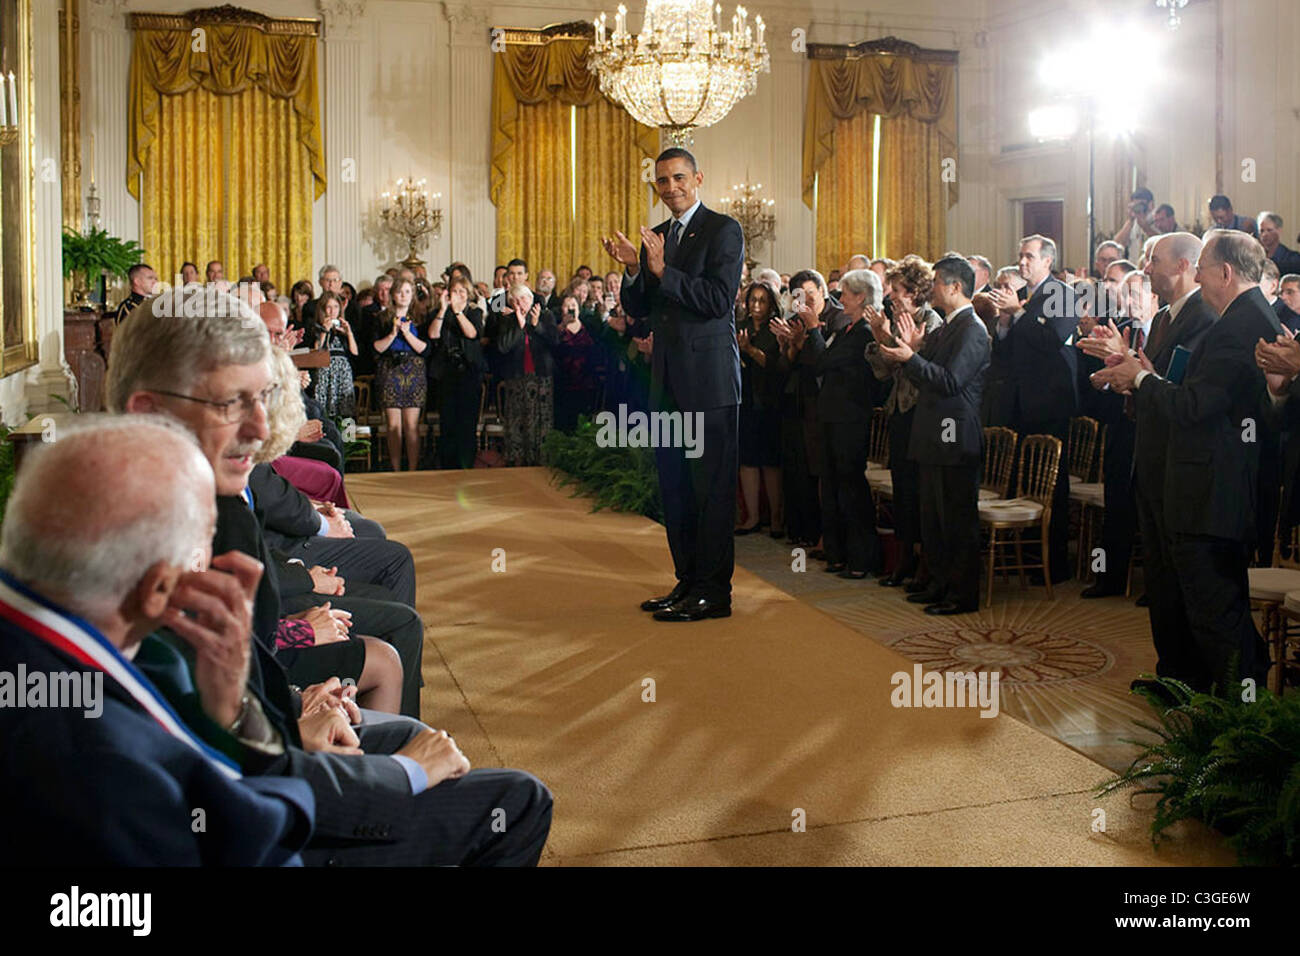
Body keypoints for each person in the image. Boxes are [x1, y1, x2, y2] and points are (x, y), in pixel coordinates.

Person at [0, 415, 316, 865]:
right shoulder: (111, 765)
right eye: (207, 538)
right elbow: (256, 843)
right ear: (159, 590)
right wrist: (237, 718)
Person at [1094, 230, 1278, 695]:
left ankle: (1241, 725)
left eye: (1202, 267)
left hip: (1214, 491)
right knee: (1206, 608)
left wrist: (1139, 377)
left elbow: (1194, 406)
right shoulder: (1240, 318)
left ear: (1225, 272)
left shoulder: (1238, 324)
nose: (1195, 275)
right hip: (1204, 484)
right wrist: (1144, 377)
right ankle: (1206, 700)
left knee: (1218, 614)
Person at [604, 147, 744, 622]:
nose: (671, 188)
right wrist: (633, 268)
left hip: (710, 384)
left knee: (711, 490)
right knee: (677, 489)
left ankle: (714, 592)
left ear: (698, 178)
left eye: (679, 178)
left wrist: (663, 271)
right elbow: (641, 309)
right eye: (662, 181)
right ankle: (687, 582)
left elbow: (719, 300)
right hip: (666, 383)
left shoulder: (724, 230)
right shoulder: (657, 235)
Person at [877, 256, 989, 614]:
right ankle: (940, 583)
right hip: (932, 433)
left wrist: (912, 356)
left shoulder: (973, 329)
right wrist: (912, 354)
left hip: (955, 435)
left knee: (957, 520)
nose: (932, 287)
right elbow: (924, 378)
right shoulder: (945, 328)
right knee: (935, 519)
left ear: (955, 287)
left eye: (938, 281)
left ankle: (962, 594)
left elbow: (952, 382)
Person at [988, 235, 1078, 582]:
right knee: (1025, 481)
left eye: (1029, 257)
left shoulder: (1063, 295)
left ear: (1047, 261)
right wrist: (1006, 322)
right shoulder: (1023, 298)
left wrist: (1019, 313)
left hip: (1049, 401)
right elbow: (1006, 354)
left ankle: (1052, 565)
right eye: (1019, 256)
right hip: (1021, 400)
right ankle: (1025, 556)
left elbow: (1050, 341)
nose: (1022, 262)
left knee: (1050, 484)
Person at [867, 256, 943, 587]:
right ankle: (904, 558)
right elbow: (883, 372)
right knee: (903, 490)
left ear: (914, 291)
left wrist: (909, 351)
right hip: (898, 412)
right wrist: (881, 337)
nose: (891, 294)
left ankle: (925, 561)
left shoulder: (932, 322)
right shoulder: (897, 321)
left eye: (896, 289)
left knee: (922, 491)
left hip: (922, 414)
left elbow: (930, 374)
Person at [807, 269, 882, 579]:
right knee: (833, 487)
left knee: (850, 488)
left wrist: (813, 330)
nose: (841, 299)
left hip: (850, 421)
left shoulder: (863, 332)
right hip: (831, 418)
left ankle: (860, 558)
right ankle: (837, 554)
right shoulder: (847, 330)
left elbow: (822, 362)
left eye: (847, 295)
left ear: (861, 297)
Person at [735, 282, 784, 536]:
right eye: (752, 300)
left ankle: (775, 518)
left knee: (770, 462)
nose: (756, 305)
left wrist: (749, 350)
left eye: (762, 300)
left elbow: (774, 364)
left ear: (771, 304)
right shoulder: (740, 326)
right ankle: (751, 517)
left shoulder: (774, 330)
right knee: (748, 460)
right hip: (745, 401)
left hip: (769, 403)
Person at [494, 283, 556, 465]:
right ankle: (518, 462)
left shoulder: (545, 315)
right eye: (515, 300)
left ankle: (541, 461)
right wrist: (519, 326)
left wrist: (536, 326)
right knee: (517, 420)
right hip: (516, 378)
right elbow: (503, 347)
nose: (520, 303)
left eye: (524, 298)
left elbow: (554, 341)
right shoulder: (507, 319)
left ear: (531, 299)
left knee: (540, 421)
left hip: (541, 378)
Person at [429, 274, 486, 469]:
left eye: (462, 291)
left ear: (468, 294)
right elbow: (433, 334)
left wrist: (459, 312)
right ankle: (447, 465)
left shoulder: (474, 312)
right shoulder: (440, 312)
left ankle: (466, 465)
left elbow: (472, 333)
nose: (458, 295)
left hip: (468, 373)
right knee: (448, 422)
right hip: (447, 373)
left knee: (466, 423)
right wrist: (444, 309)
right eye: (455, 291)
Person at [372, 277, 428, 471]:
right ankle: (396, 469)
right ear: (392, 295)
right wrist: (394, 333)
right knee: (393, 426)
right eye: (399, 292)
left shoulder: (420, 318)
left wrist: (408, 334)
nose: (403, 295)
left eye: (407, 291)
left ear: (412, 295)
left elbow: (425, 349)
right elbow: (377, 348)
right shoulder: (382, 318)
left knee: (411, 426)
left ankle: (412, 469)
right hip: (390, 370)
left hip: (414, 369)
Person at [552, 292, 602, 432]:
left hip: (586, 381)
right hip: (563, 381)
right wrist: (562, 326)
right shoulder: (556, 327)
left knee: (583, 421)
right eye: (567, 306)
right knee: (564, 421)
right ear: (561, 309)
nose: (570, 308)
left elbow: (596, 349)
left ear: (579, 309)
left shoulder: (589, 326)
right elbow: (552, 348)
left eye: (573, 305)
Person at [310, 291, 357, 419]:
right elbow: (316, 350)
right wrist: (325, 330)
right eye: (329, 307)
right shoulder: (316, 328)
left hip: (343, 373)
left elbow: (355, 353)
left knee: (347, 413)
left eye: (336, 307)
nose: (332, 311)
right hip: (325, 373)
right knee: (324, 411)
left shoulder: (343, 330)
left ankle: (349, 439)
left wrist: (349, 333)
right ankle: (327, 437)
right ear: (323, 309)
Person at [1259, 212, 1300, 277]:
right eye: (1262, 231)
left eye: (1269, 230)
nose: (1264, 235)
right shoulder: (1256, 257)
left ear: (1279, 231)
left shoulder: (1293, 259)